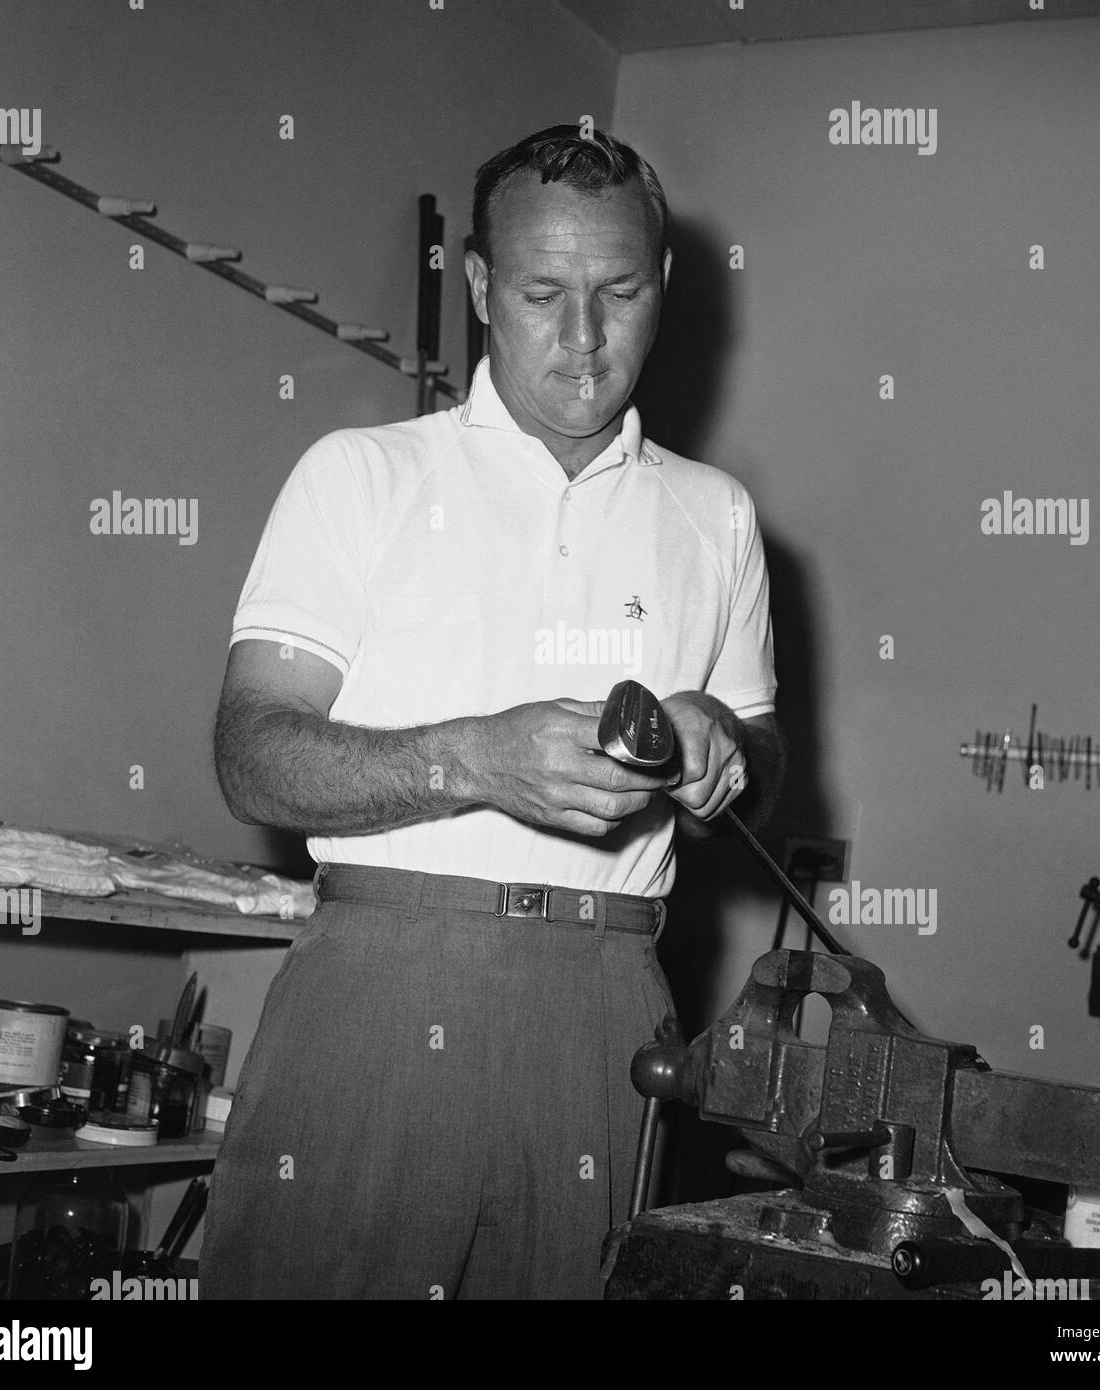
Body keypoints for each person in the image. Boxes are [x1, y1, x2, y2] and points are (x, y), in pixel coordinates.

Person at [199, 125, 783, 1300]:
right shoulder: (360, 475)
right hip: (379, 987)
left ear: (664, 284)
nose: (584, 337)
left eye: (620, 291)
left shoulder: (717, 515)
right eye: (540, 293)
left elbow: (762, 771)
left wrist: (723, 746)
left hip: (609, 1013)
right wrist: (471, 760)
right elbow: (251, 755)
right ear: (476, 286)